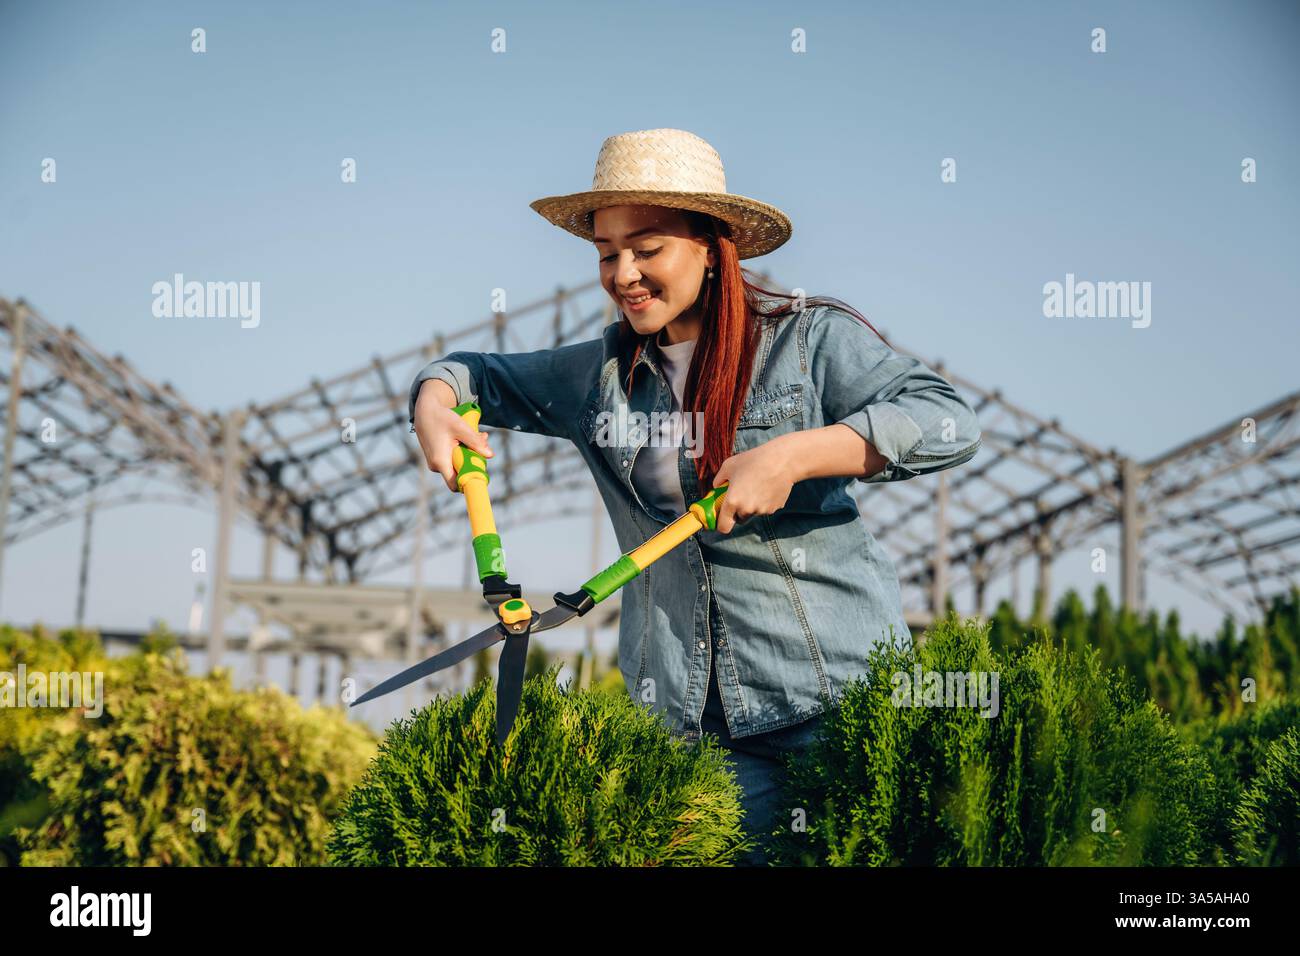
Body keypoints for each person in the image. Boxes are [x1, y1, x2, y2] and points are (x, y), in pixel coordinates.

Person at [409, 128, 982, 865]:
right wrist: (434, 396)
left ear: (714, 247)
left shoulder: (807, 343)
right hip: (683, 719)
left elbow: (948, 420)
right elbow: (471, 374)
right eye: (607, 254)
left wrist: (795, 455)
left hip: (836, 705)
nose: (624, 274)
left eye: (647, 250)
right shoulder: (597, 377)